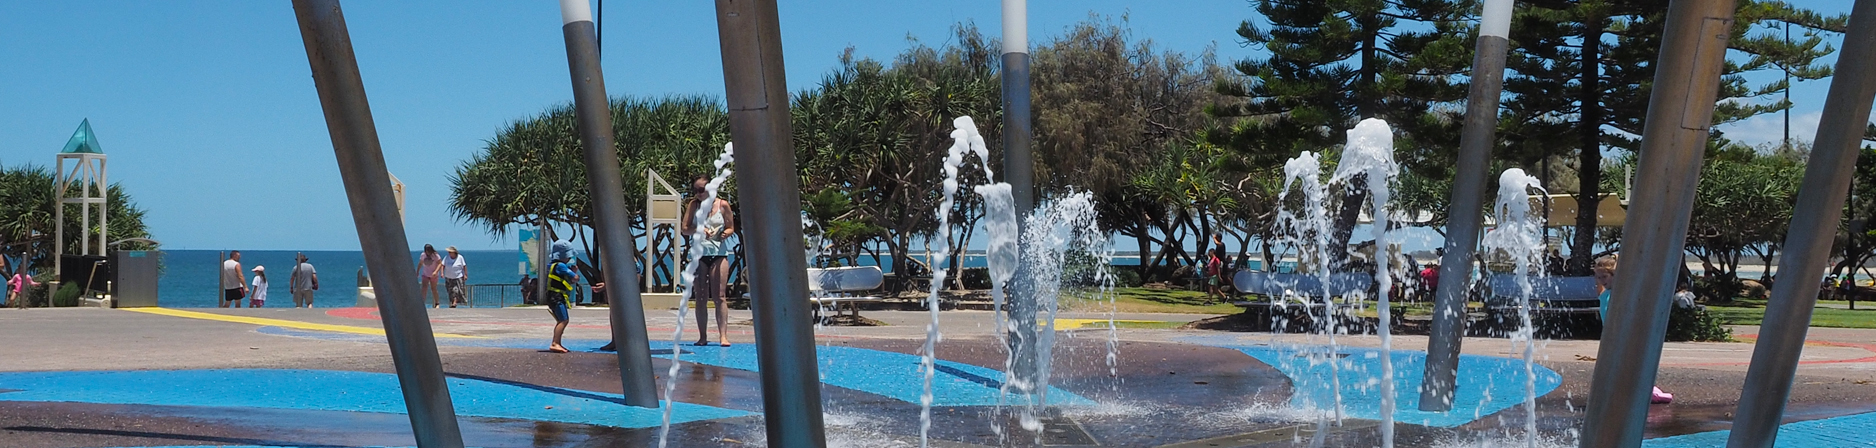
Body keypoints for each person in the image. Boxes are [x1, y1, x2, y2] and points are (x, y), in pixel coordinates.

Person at [1592, 253, 1674, 404]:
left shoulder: (1620, 291)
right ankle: (1625, 391)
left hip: (1624, 334)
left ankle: (1649, 390)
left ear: (1615, 275)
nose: (1601, 281)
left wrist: (1618, 260)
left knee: (1631, 363)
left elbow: (1625, 276)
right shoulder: (1604, 292)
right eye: (1598, 277)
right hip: (1611, 335)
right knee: (1617, 364)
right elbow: (1601, 284)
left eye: (1604, 277)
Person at [683, 175, 735, 347]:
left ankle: (723, 336)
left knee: (719, 296)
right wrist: (699, 229)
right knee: (701, 297)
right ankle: (702, 336)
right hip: (699, 254)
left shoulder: (723, 205)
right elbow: (685, 229)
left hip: (719, 254)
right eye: (695, 190)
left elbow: (730, 227)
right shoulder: (694, 205)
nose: (698, 194)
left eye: (701, 190)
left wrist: (726, 232)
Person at [544, 241, 579, 353]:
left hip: (552, 296)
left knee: (561, 319)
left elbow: (567, 281)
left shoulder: (552, 265)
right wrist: (574, 272)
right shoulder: (561, 266)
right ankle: (555, 343)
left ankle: (557, 342)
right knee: (564, 320)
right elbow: (575, 278)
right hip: (557, 296)